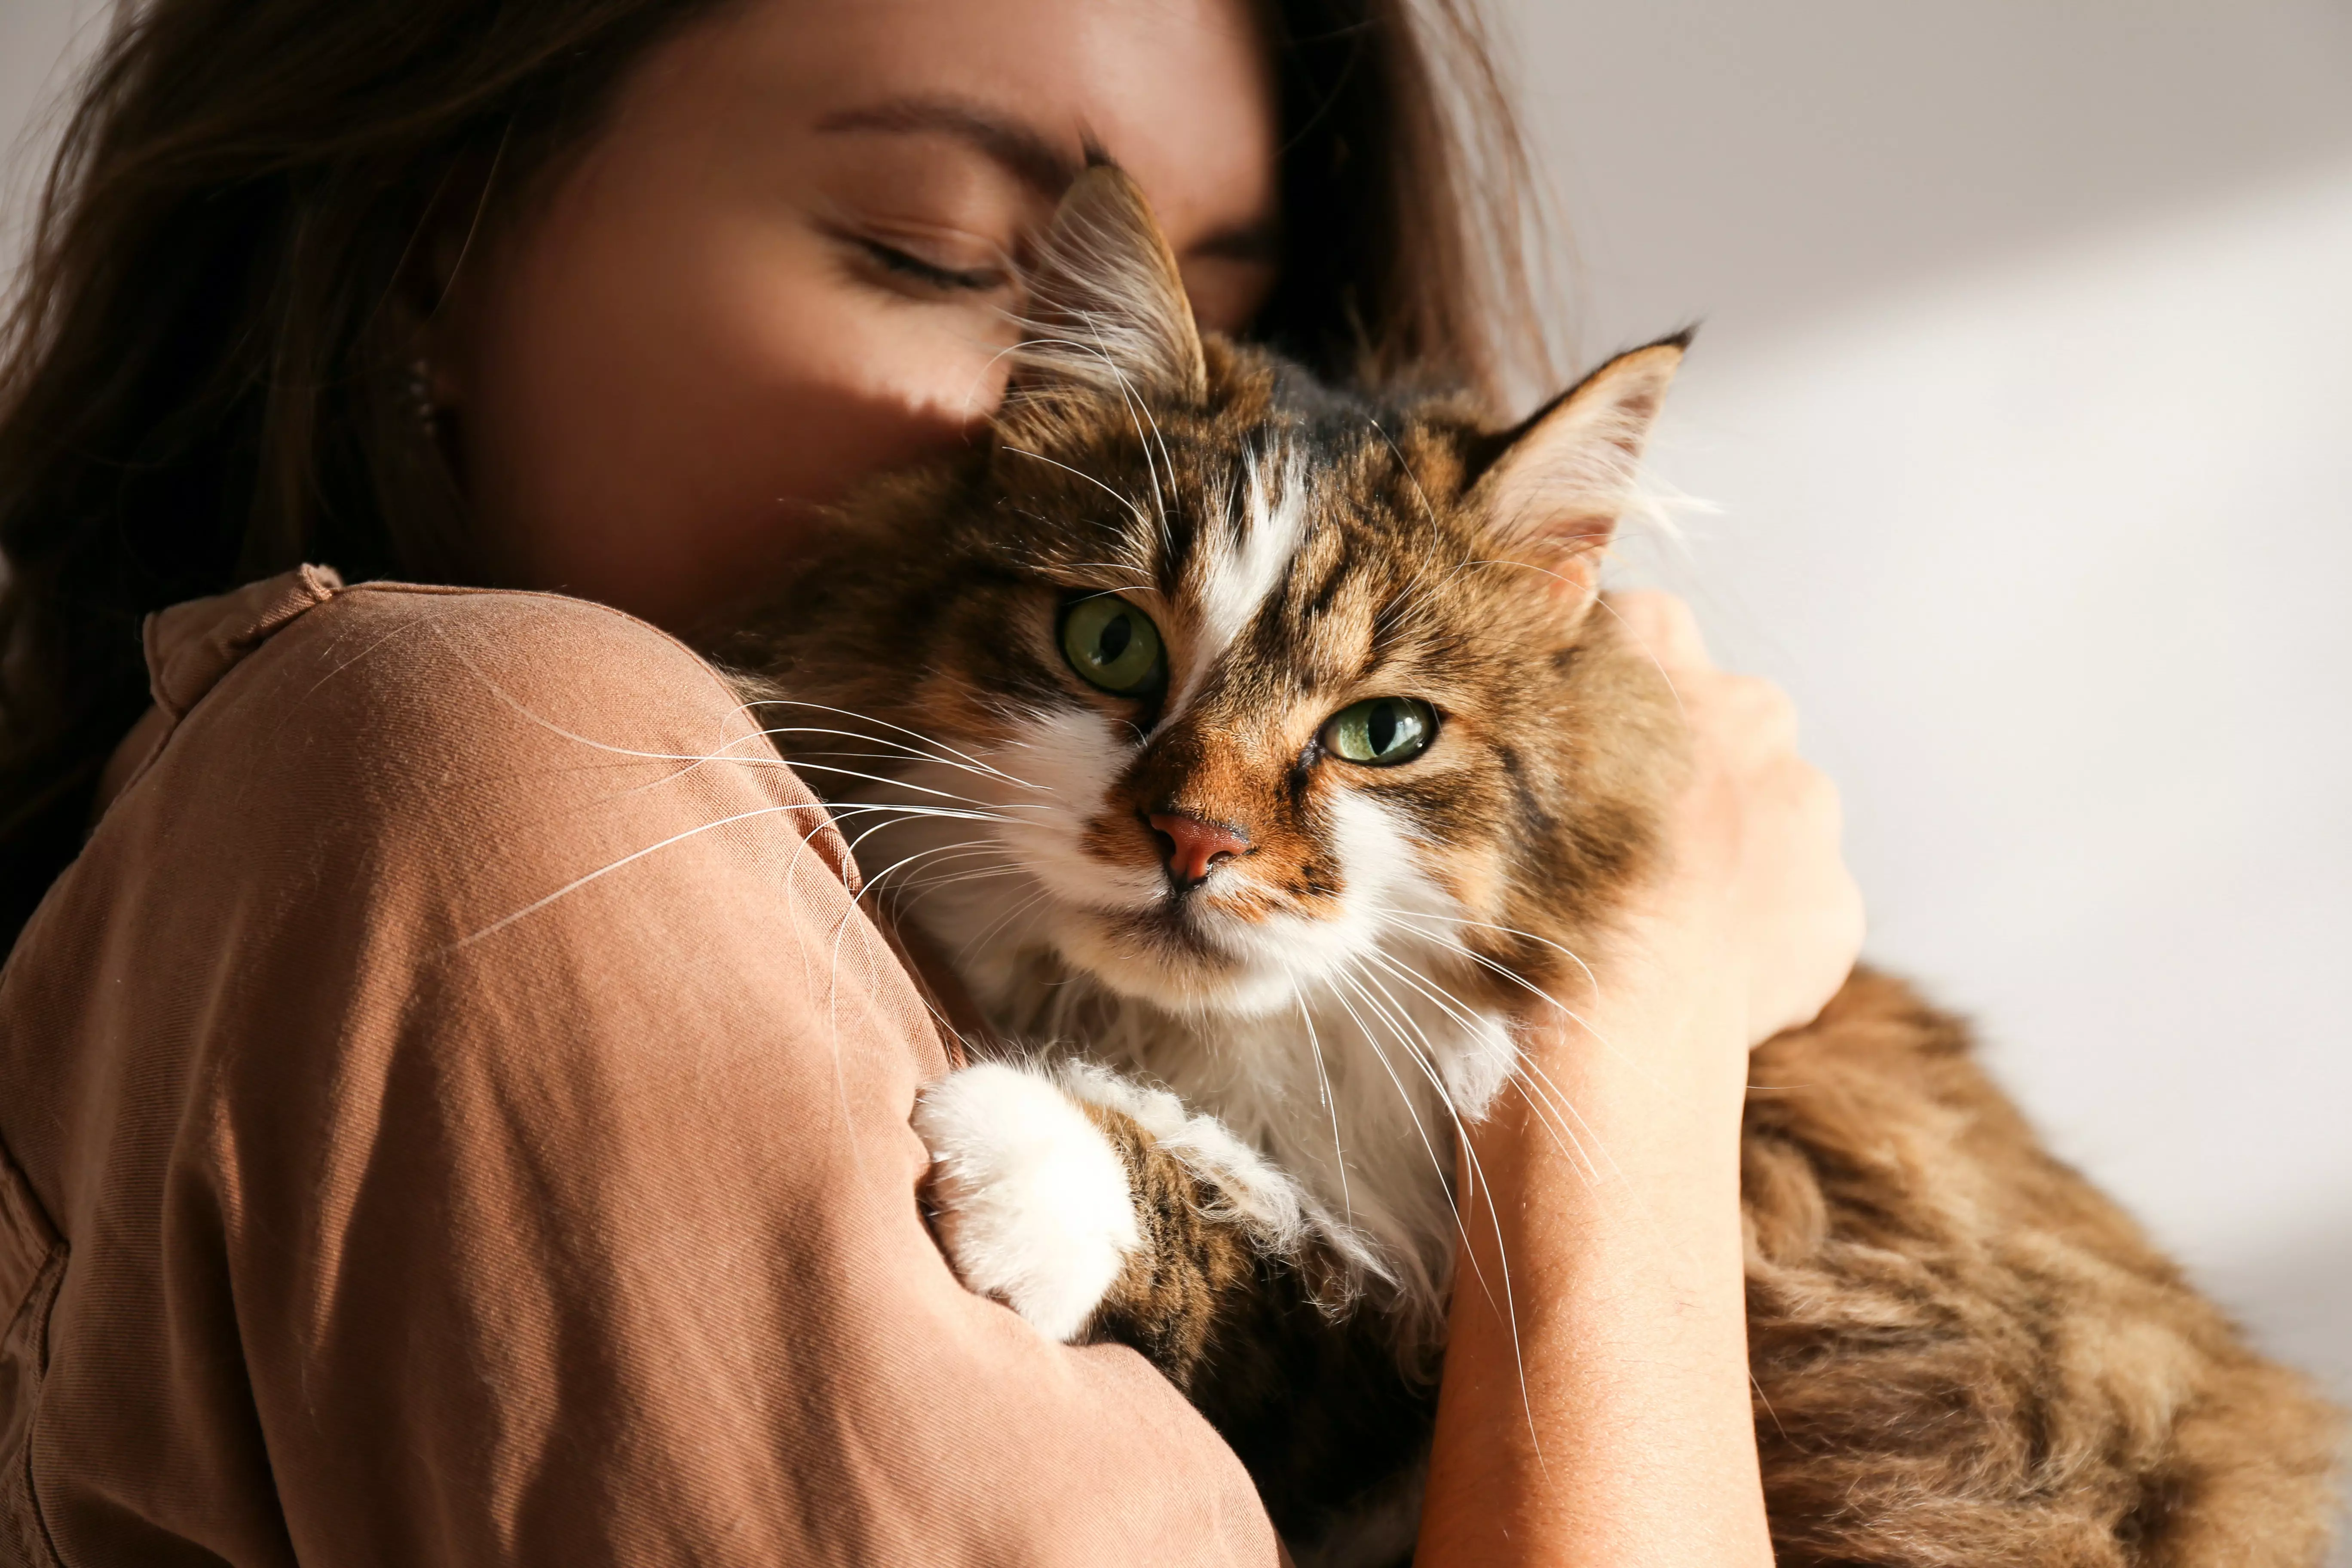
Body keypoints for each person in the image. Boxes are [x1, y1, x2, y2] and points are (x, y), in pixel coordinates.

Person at [0, 0, 1863, 1563]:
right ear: (431, 241)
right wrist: (1633, 1034)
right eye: (953, 257)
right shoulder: (497, 765)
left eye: (1231, 314)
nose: (1077, 423)